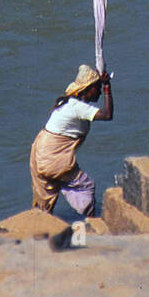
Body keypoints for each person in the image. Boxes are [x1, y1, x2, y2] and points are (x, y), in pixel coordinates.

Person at [29, 64, 113, 217]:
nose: (99, 91)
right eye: (97, 87)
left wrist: (102, 82)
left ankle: (30, 229)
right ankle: (92, 222)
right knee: (86, 186)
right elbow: (107, 114)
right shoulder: (77, 107)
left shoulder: (67, 102)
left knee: (44, 206)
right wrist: (107, 87)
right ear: (87, 90)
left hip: (39, 152)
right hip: (53, 157)